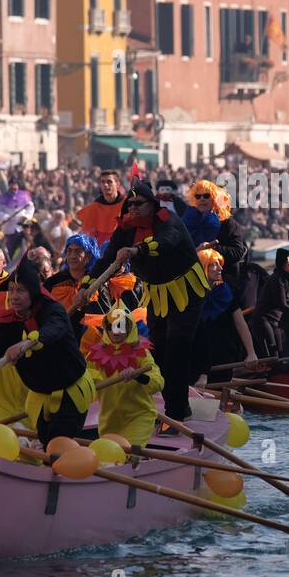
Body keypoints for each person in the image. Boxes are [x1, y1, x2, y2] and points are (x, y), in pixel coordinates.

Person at [87, 180, 209, 424]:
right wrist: (86, 285)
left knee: (177, 346)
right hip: (157, 295)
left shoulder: (168, 220)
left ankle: (178, 412)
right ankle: (166, 405)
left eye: (139, 203)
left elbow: (165, 242)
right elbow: (106, 260)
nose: (133, 208)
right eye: (129, 204)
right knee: (158, 349)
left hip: (186, 290)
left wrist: (136, 250)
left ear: (152, 205)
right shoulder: (125, 230)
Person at [0, 260, 94, 443]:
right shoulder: (8, 323)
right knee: (45, 443)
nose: (14, 296)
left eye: (21, 290)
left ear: (33, 292)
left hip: (71, 392)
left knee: (58, 442)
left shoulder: (53, 310)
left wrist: (26, 344)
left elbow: (52, 330)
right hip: (39, 396)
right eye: (12, 290)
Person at [85, 300, 163, 446]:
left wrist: (138, 375)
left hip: (139, 417)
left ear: (129, 327)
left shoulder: (142, 353)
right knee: (111, 461)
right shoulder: (94, 355)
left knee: (128, 454)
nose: (115, 331)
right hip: (109, 422)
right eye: (111, 326)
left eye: (120, 326)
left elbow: (158, 382)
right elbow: (85, 383)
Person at [193, 248, 258, 386]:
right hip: (196, 356)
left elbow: (240, 324)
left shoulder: (225, 293)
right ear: (203, 267)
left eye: (220, 264)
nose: (220, 268)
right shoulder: (191, 295)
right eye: (214, 264)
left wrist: (251, 353)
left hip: (223, 353)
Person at [252, 247, 289, 359]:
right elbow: (283, 305)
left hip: (276, 322)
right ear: (283, 264)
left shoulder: (288, 279)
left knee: (281, 353)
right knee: (273, 354)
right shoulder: (277, 279)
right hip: (264, 320)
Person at [76, 170, 125, 247]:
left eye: (109, 182)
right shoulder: (92, 208)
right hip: (99, 253)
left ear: (117, 184)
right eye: (102, 182)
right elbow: (86, 236)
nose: (105, 185)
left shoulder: (128, 205)